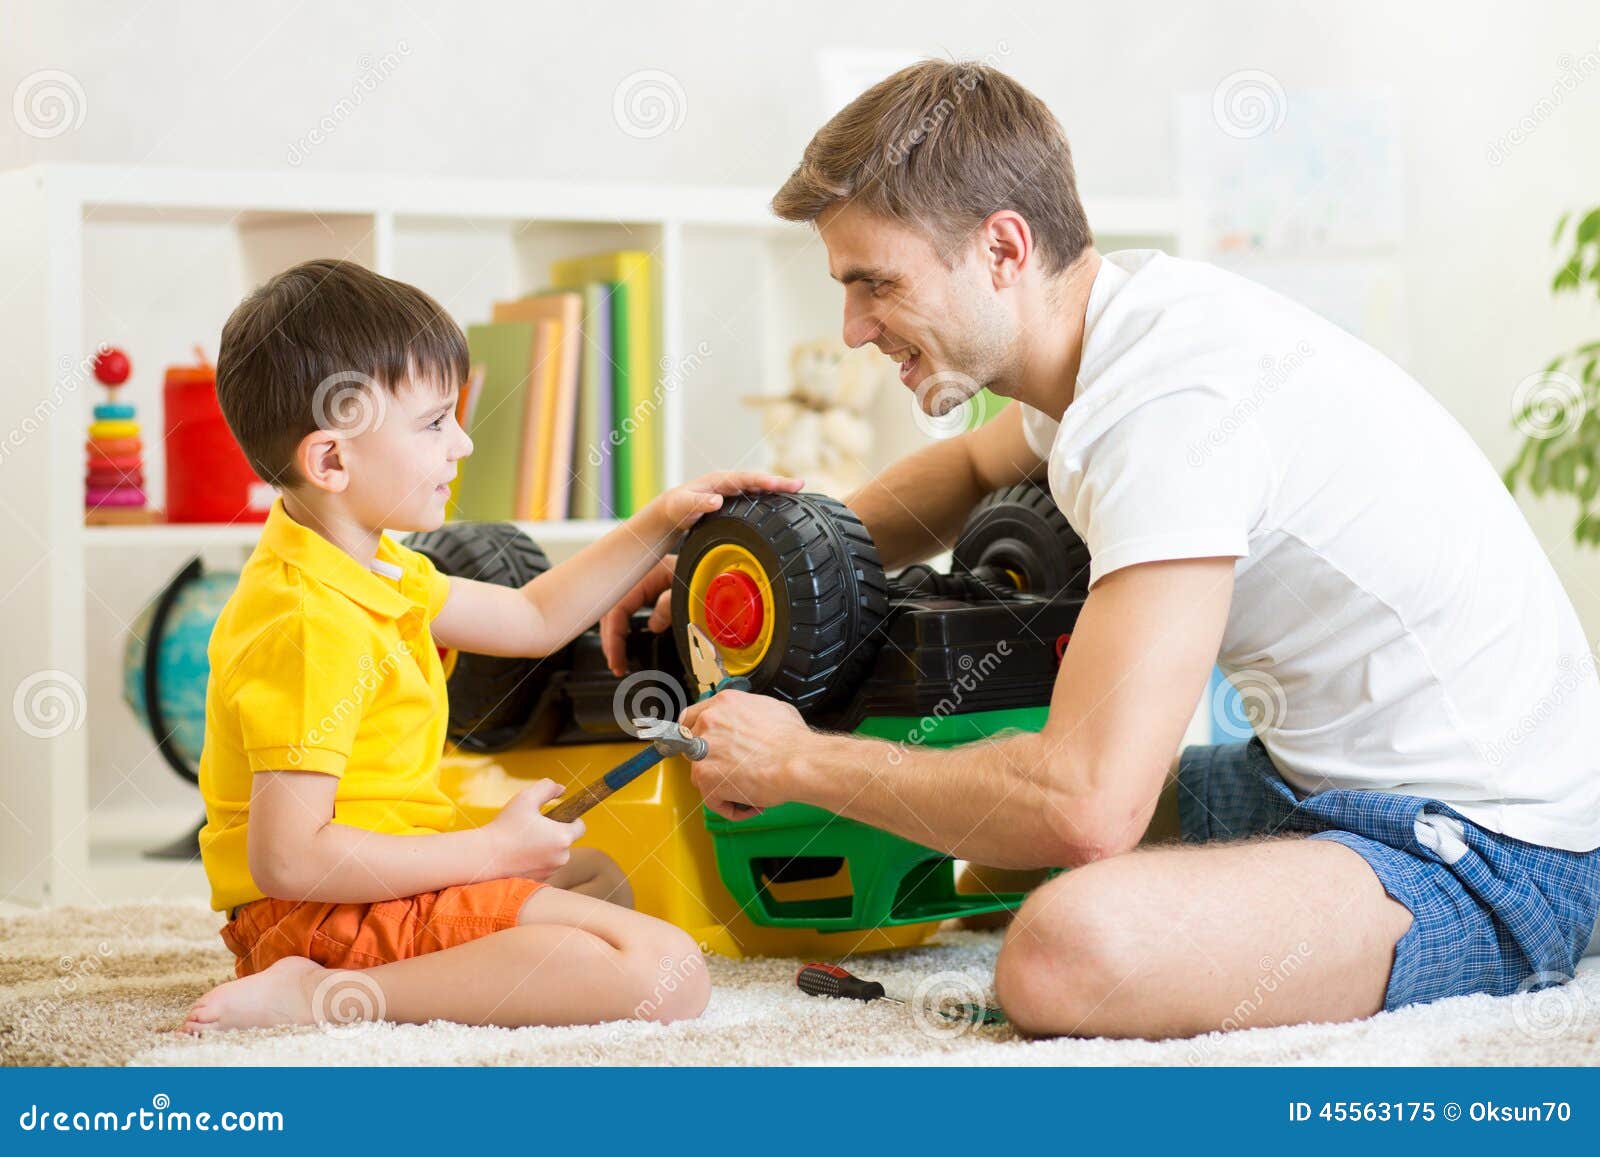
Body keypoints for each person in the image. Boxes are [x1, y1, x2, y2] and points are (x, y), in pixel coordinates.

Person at [602, 61, 1600, 1039]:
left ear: (1001, 247)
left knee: (1063, 948)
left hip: (1493, 848)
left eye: (877, 284)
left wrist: (799, 762)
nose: (855, 327)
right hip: (1310, 782)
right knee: (982, 850)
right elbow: (961, 474)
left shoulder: (1165, 410)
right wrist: (759, 564)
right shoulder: (1117, 331)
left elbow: (1087, 807)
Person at [183, 258, 800, 1032]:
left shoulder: (370, 567)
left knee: (600, 883)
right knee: (667, 972)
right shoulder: (309, 618)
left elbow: (532, 616)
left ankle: (370, 979)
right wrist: (486, 852)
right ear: (332, 460)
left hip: (360, 888)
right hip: (320, 908)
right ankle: (318, 995)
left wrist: (661, 522)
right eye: (435, 422)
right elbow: (290, 858)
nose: (464, 442)